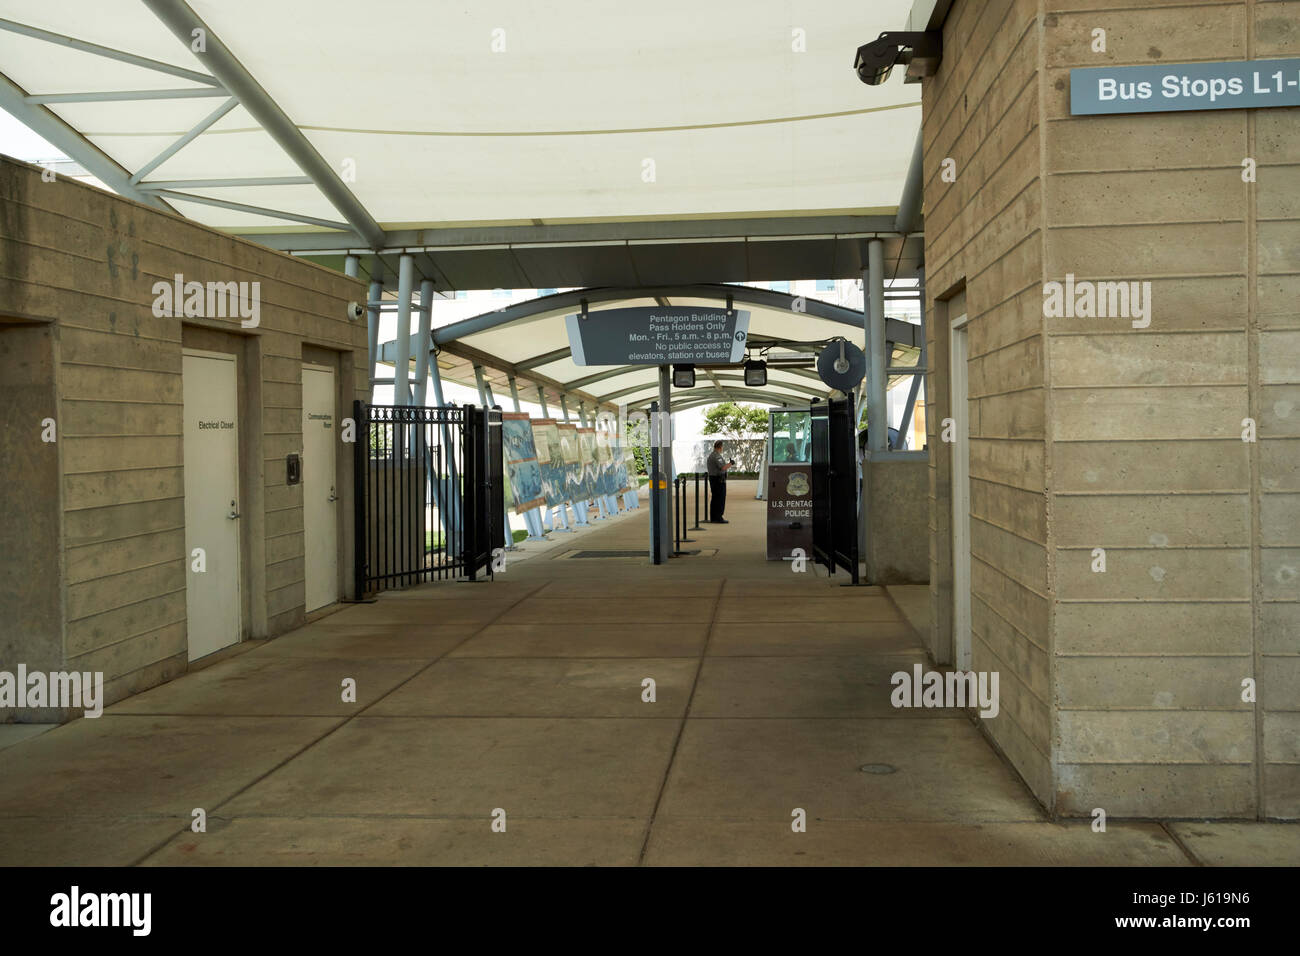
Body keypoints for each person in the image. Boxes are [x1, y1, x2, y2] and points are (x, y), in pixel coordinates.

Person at [705, 439, 733, 523]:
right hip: (718, 480)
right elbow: (723, 467)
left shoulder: (712, 455)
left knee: (715, 498)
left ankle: (714, 517)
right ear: (720, 447)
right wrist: (731, 463)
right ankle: (718, 517)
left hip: (715, 479)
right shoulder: (716, 456)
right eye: (722, 447)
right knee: (719, 498)